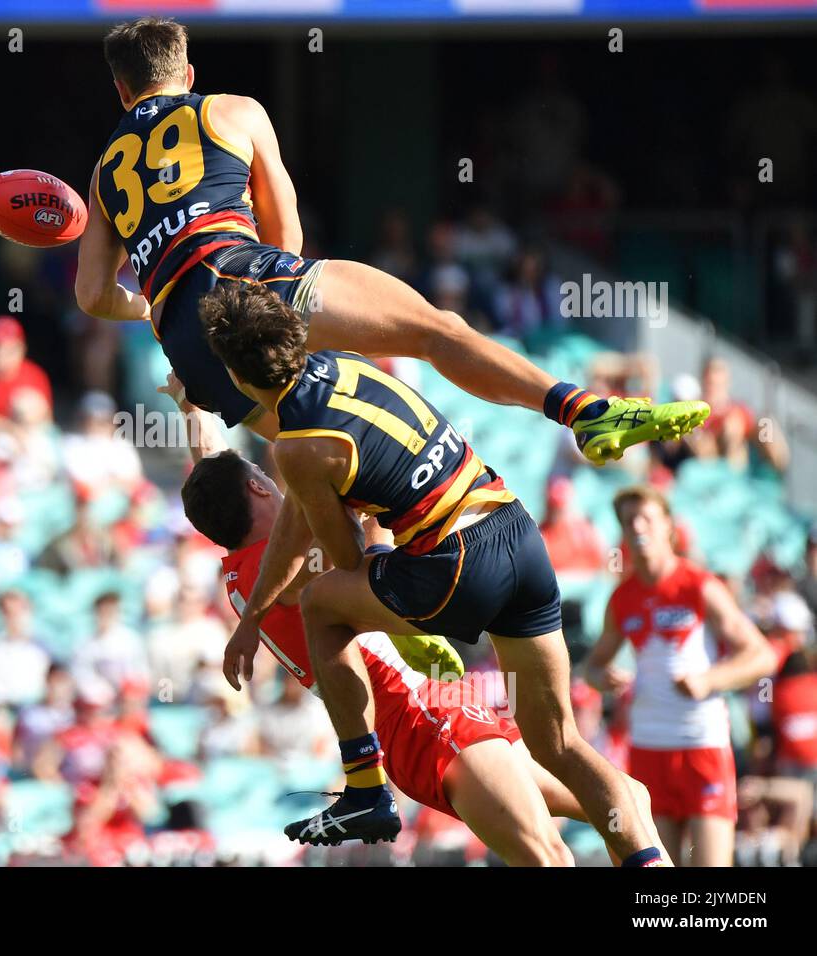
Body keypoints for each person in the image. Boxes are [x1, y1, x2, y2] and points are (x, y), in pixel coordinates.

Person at [75, 16, 707, 464]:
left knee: (327, 459)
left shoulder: (104, 171)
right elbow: (286, 227)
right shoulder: (232, 110)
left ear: (121, 90)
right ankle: (585, 414)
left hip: (188, 341)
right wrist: (287, 312)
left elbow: (94, 295)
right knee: (438, 331)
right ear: (187, 71)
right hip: (250, 275)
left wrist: (157, 309)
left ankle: (384, 597)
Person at [199, 282, 672, 866]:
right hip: (515, 530)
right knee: (563, 745)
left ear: (240, 381)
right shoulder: (348, 365)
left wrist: (261, 609)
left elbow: (345, 557)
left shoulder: (295, 458)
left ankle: (364, 784)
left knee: (324, 603)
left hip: (455, 576)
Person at [584, 486, 776, 866]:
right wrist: (602, 678)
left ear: (668, 526)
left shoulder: (699, 586)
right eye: (628, 521)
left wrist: (709, 680)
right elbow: (591, 668)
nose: (638, 527)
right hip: (648, 747)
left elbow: (762, 656)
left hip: (701, 743)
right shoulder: (622, 598)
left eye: (647, 518)